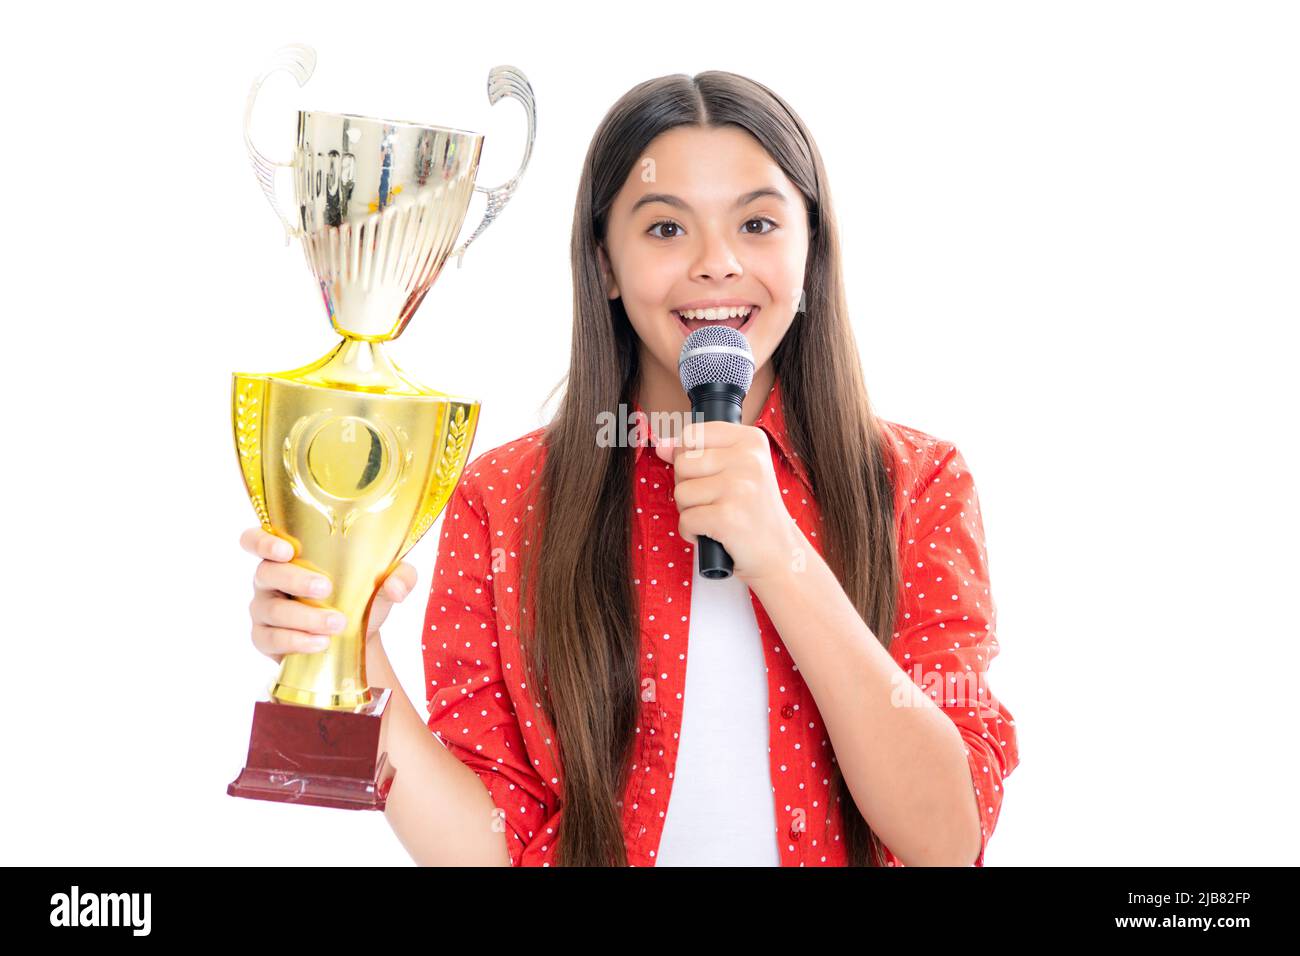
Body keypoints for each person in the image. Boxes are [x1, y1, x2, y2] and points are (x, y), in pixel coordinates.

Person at [242, 71, 1019, 867]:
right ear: (605, 266)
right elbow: (487, 851)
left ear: (811, 252)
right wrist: (352, 646)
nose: (717, 265)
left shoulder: (918, 484)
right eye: (665, 229)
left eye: (757, 222)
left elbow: (946, 839)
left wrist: (781, 554)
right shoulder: (505, 500)